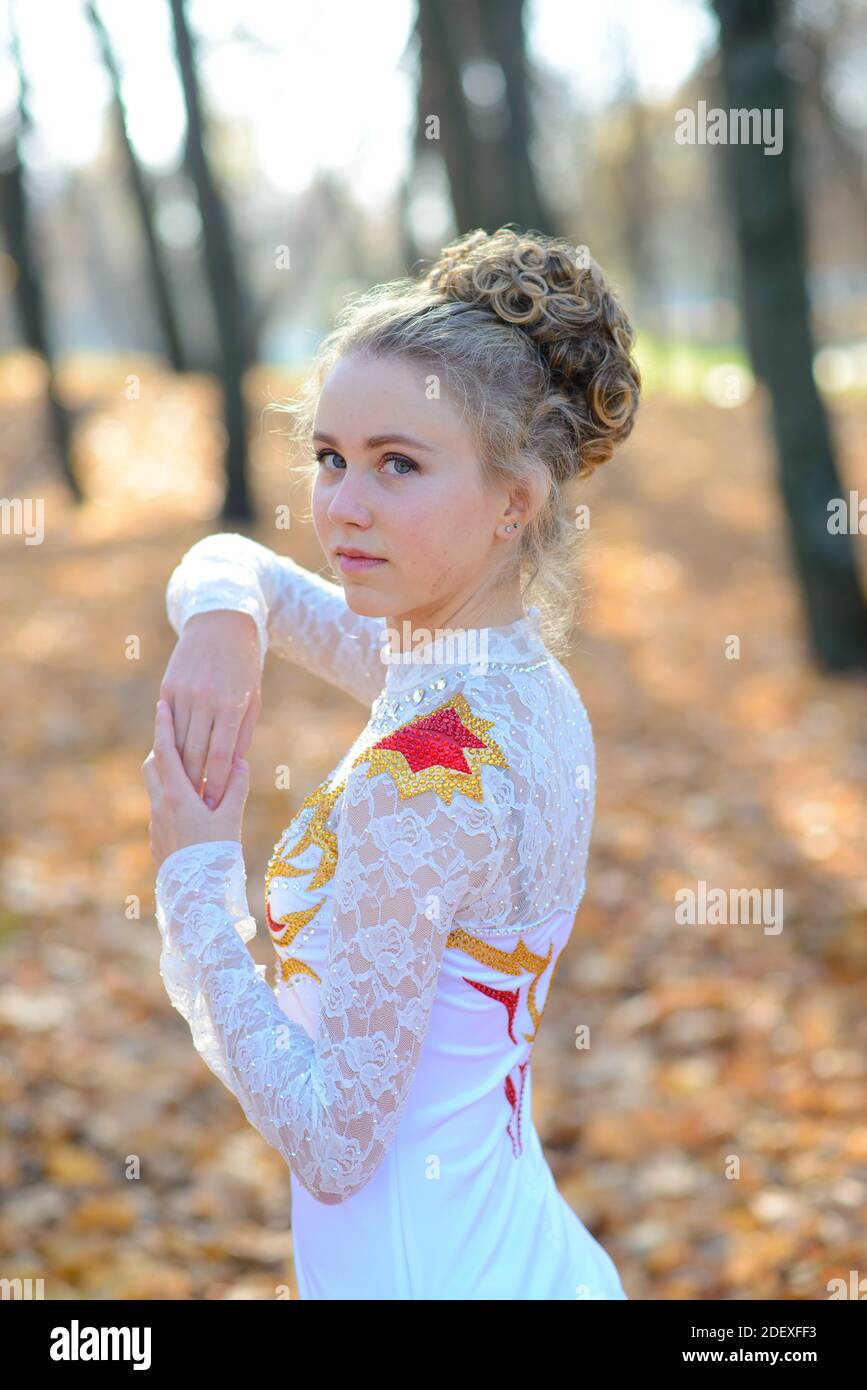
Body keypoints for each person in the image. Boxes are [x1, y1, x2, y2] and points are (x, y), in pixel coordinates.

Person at [142, 226, 641, 1299]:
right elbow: (249, 570)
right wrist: (225, 614)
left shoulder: (422, 774)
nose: (342, 505)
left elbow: (332, 1145)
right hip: (528, 1257)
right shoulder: (506, 686)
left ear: (517, 501)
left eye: (398, 465)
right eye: (330, 457)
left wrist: (195, 880)